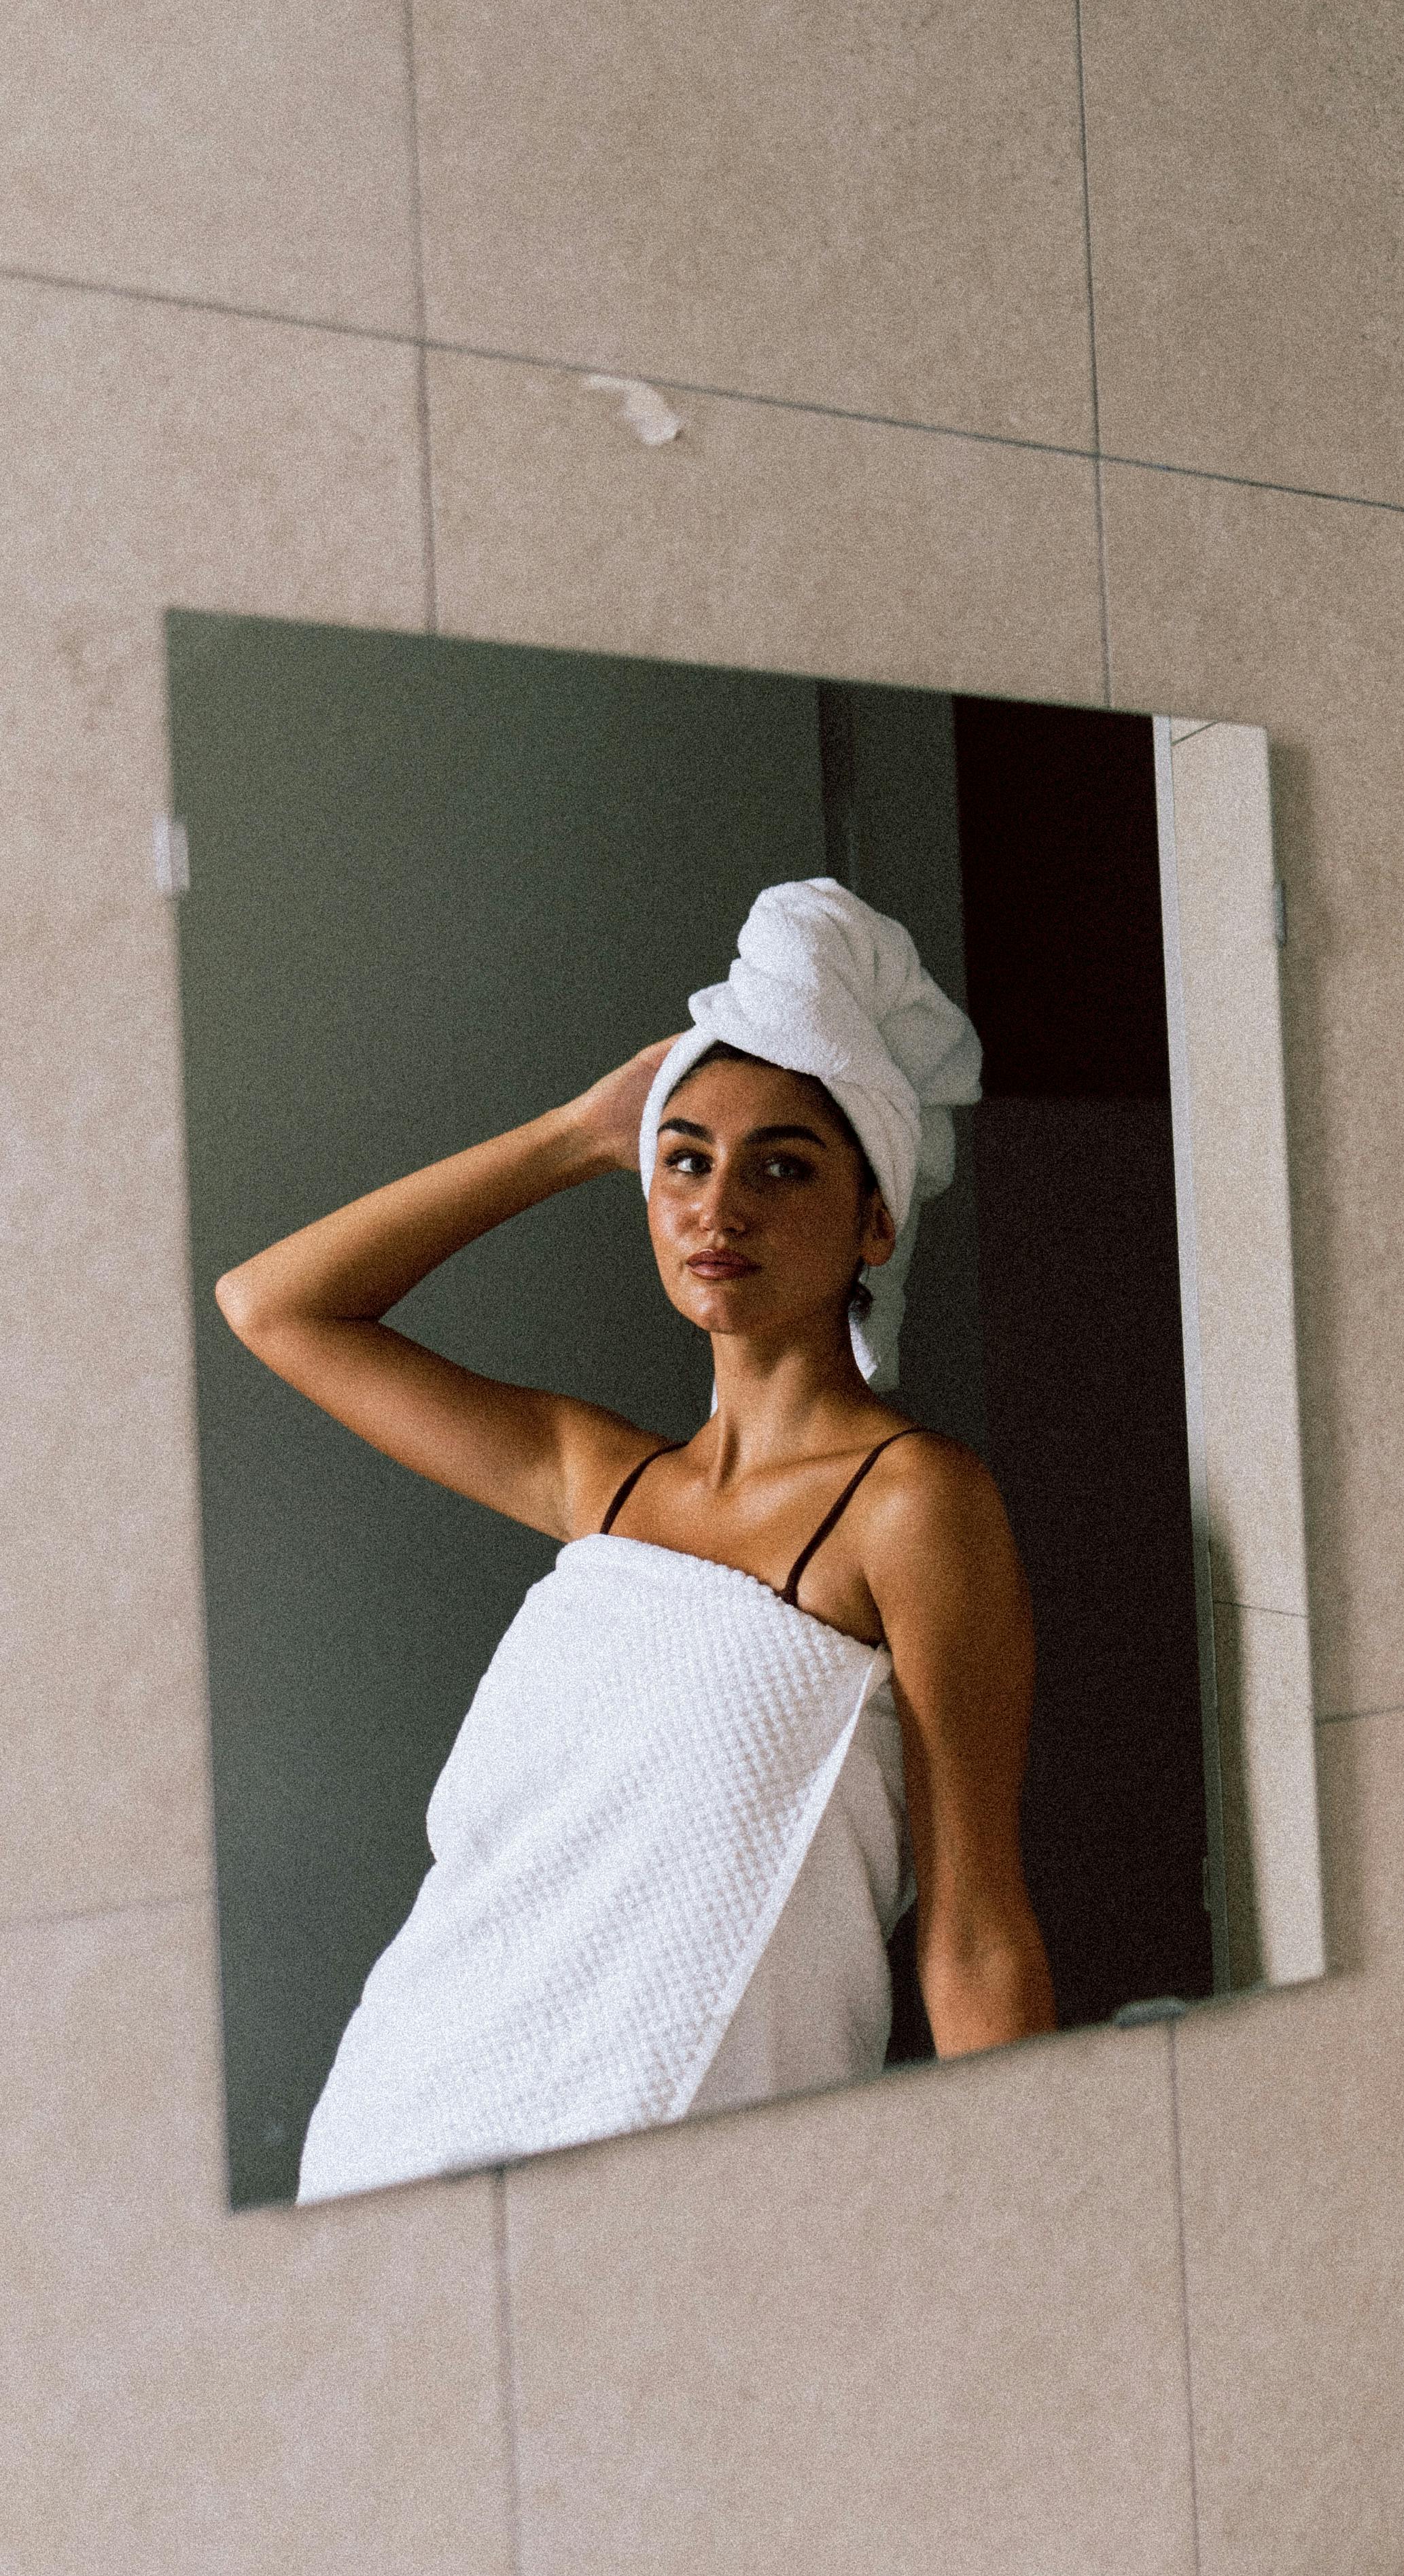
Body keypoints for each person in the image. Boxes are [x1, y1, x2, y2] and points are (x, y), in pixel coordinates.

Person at [218, 877, 1053, 2204]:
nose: (720, 1207)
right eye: (686, 1159)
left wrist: (1045, 2226)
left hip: (674, 2179)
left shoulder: (910, 1507)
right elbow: (273, 1305)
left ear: (873, 1218)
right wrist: (577, 1133)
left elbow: (971, 1931)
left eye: (784, 1166)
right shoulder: (597, 1480)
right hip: (402, 2120)